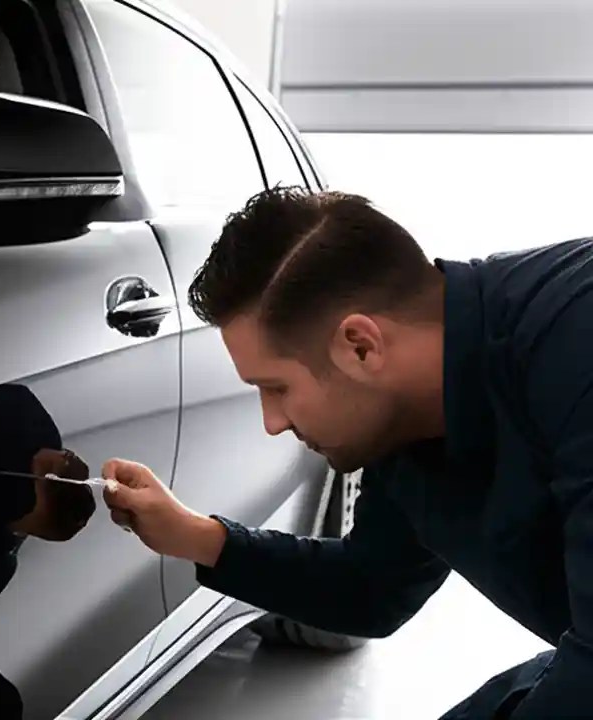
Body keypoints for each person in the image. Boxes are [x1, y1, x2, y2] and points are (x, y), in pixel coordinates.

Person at [101, 186, 593, 719]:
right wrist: (197, 537)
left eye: (277, 387)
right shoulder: (401, 415)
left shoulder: (574, 340)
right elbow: (375, 588)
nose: (273, 422)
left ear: (360, 346)